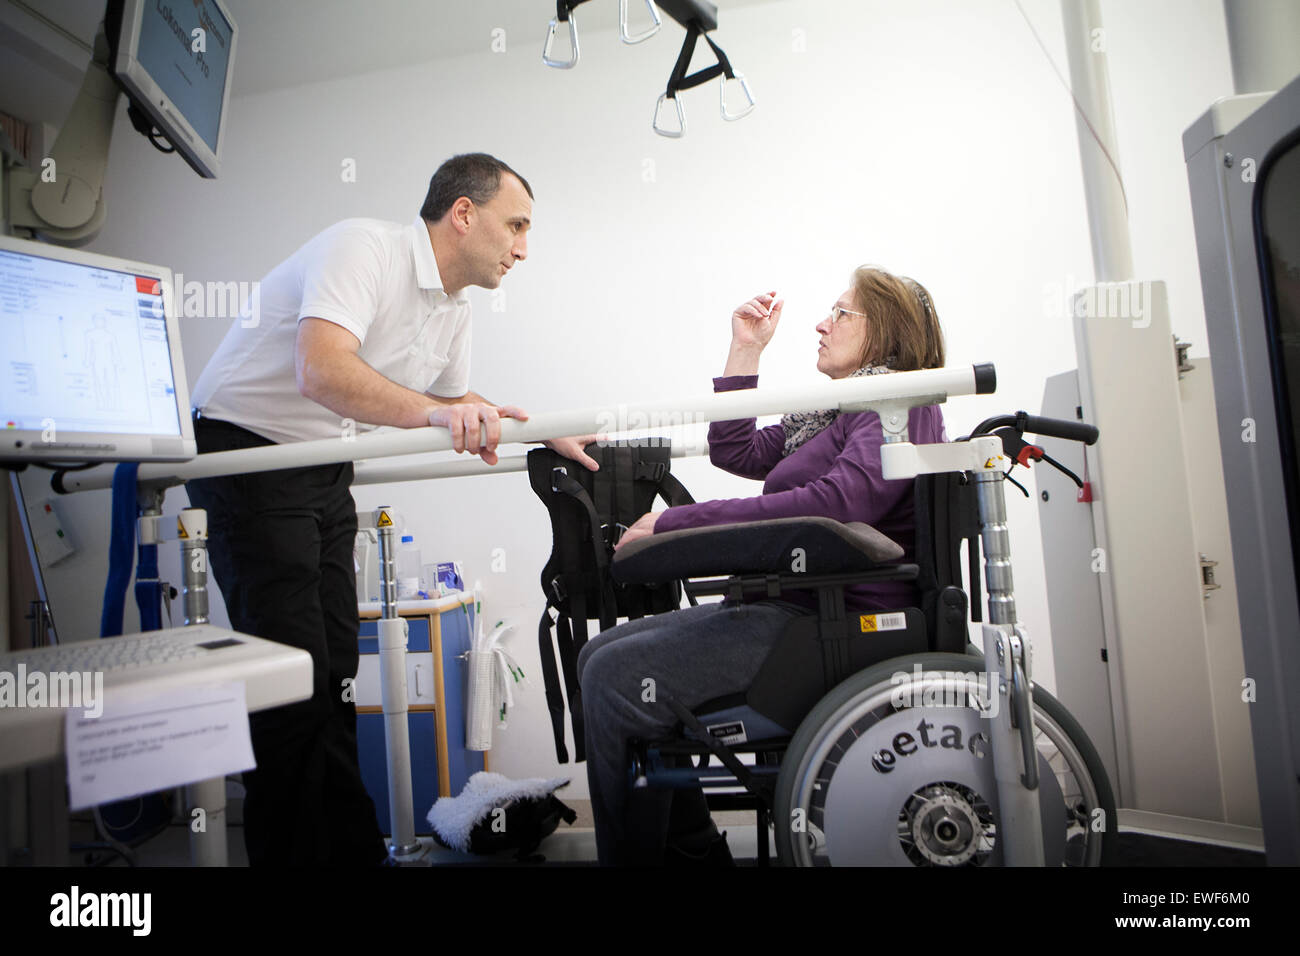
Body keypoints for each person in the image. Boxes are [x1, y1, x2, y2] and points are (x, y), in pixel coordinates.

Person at [185, 153, 593, 866]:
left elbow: (455, 406)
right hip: (244, 455)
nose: (525, 247)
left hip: (317, 464)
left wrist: (532, 426)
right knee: (292, 672)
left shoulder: (455, 311)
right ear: (463, 214)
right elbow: (323, 370)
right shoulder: (363, 248)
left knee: (338, 663)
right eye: (517, 225)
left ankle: (348, 851)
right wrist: (442, 414)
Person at [576, 265, 948, 866]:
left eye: (841, 313)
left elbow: (839, 504)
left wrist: (676, 522)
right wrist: (745, 350)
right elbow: (736, 449)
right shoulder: (832, 413)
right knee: (598, 656)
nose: (822, 324)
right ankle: (692, 849)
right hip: (793, 609)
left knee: (613, 679)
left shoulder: (894, 400)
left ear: (885, 332)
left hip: (830, 624)